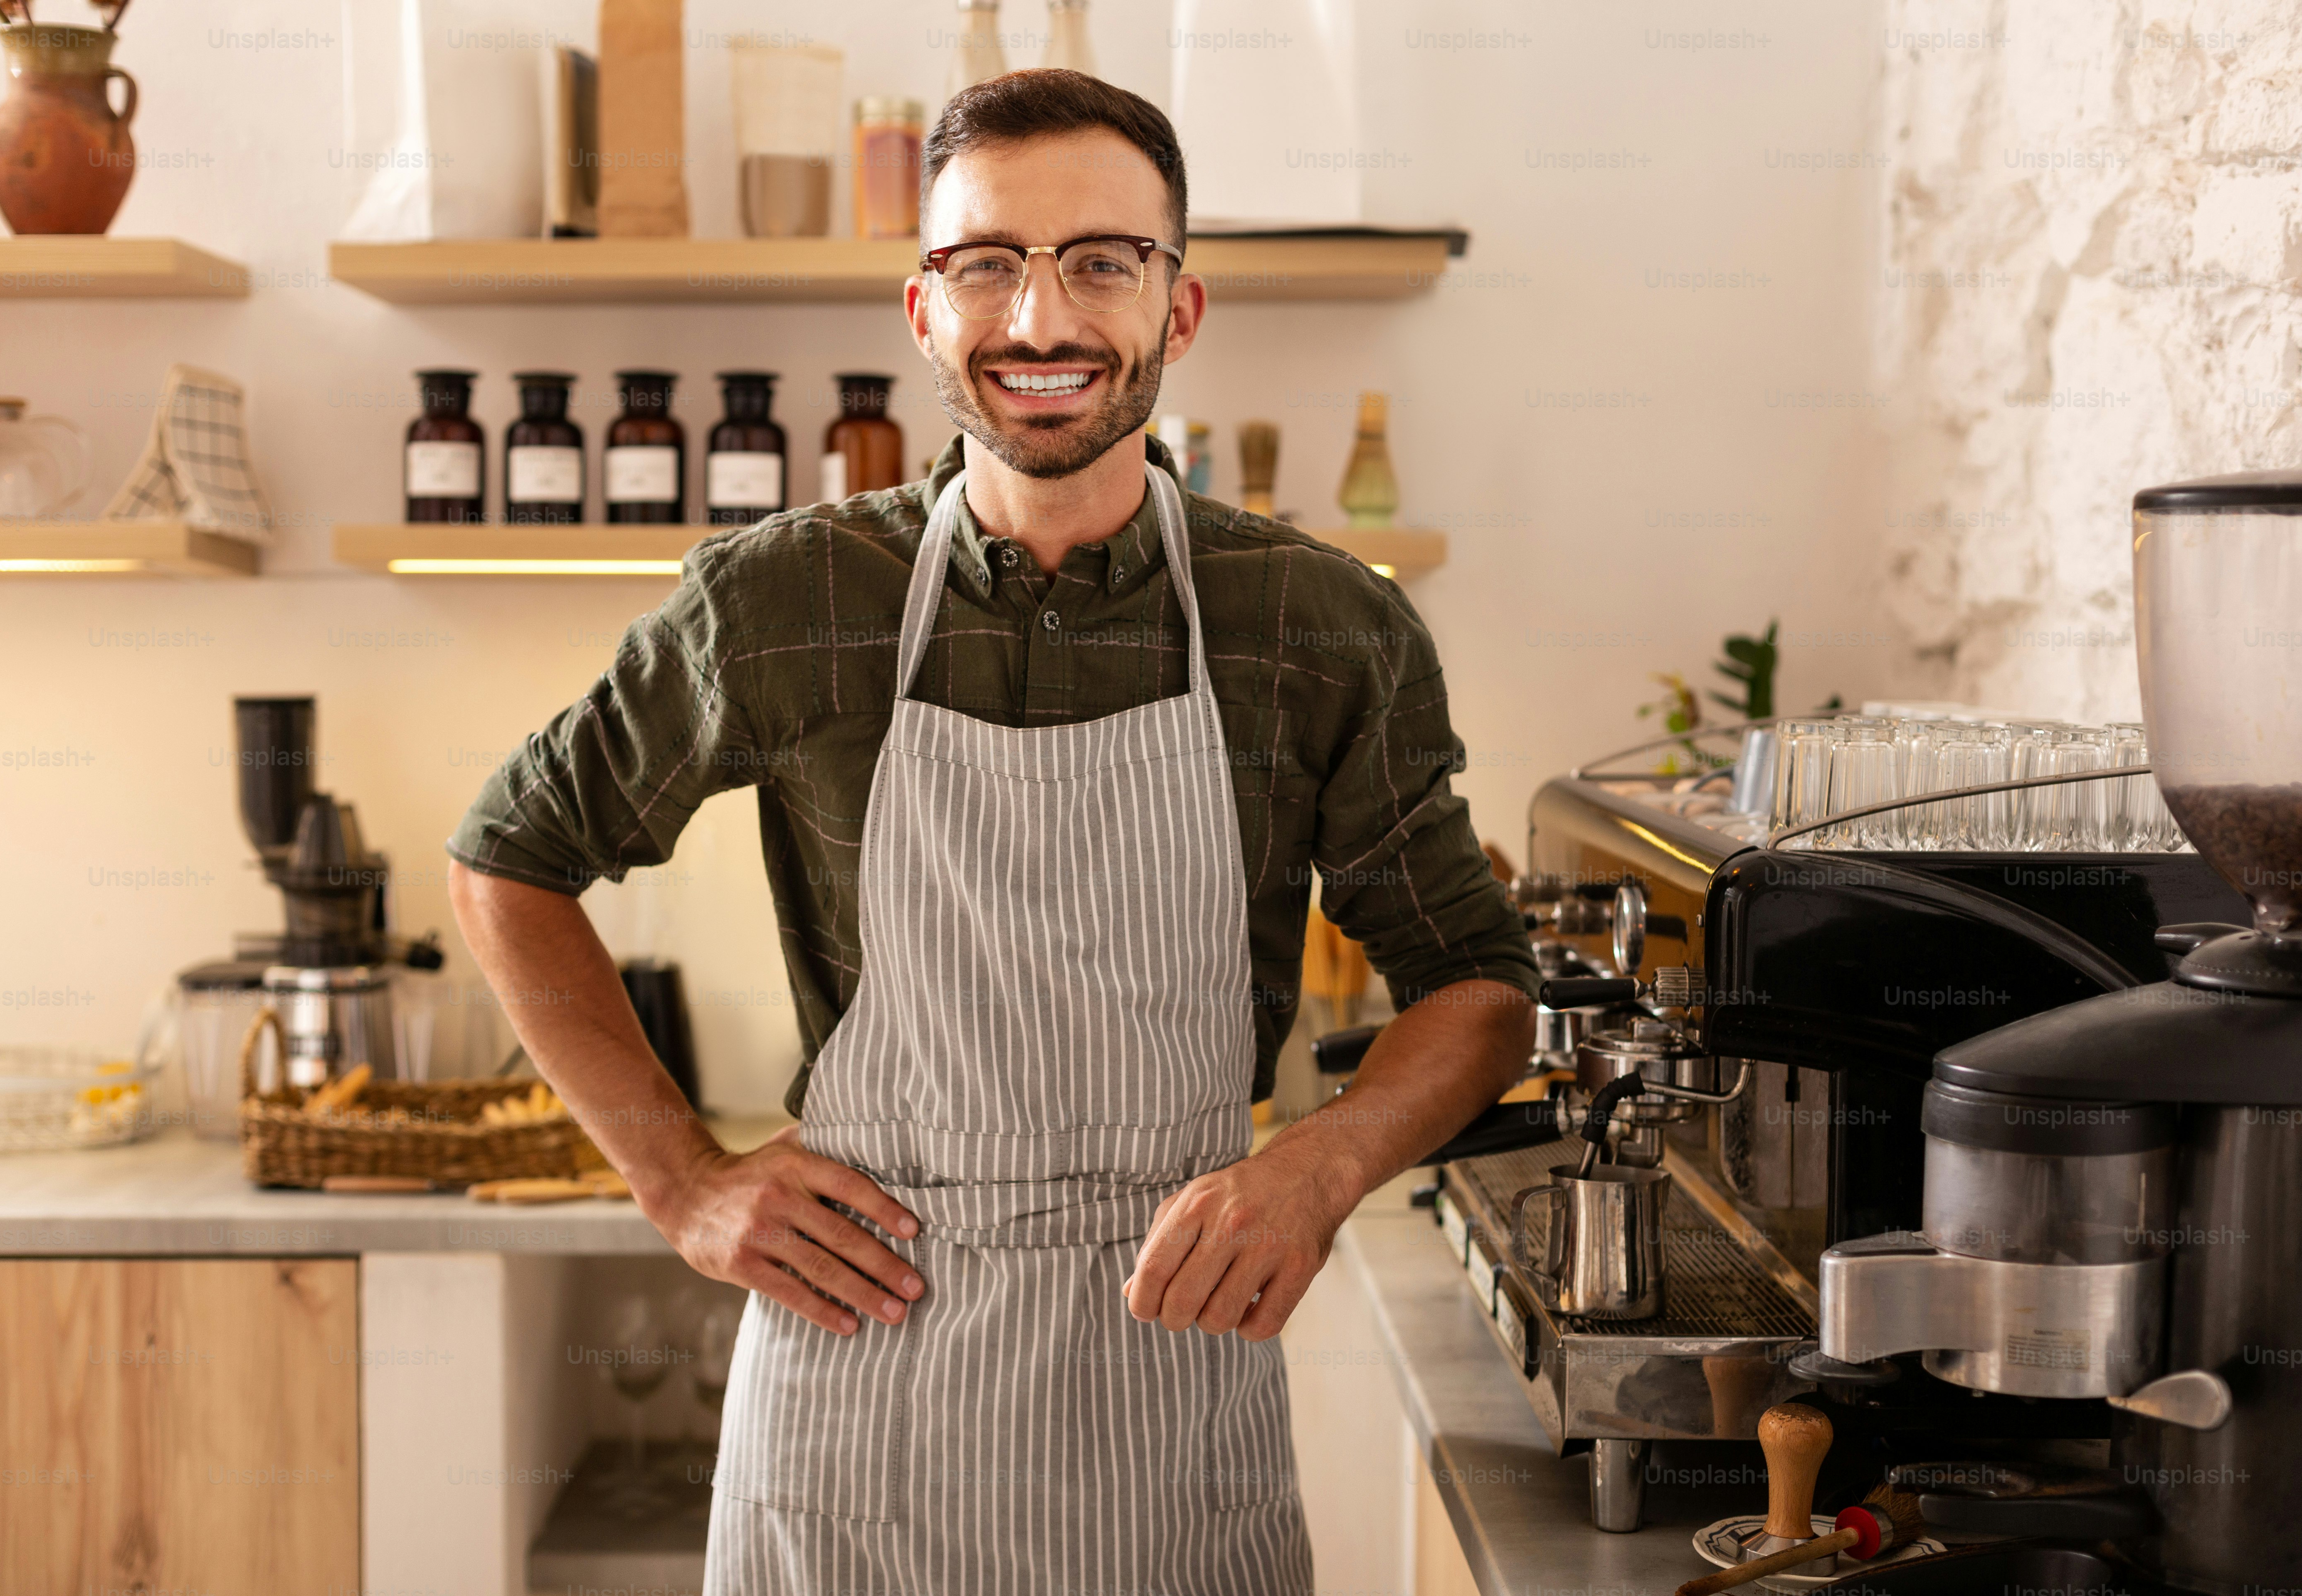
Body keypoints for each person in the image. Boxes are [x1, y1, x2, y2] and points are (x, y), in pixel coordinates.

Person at [447, 67, 1539, 1596]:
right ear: (922, 308)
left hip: (1172, 1368)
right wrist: (683, 1183)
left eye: (1102, 260)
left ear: (1180, 308)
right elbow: (509, 855)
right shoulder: (786, 603)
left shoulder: (1317, 626)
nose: (1041, 321)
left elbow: (1478, 986)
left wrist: (1321, 1166)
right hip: (859, 1375)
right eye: (988, 264)